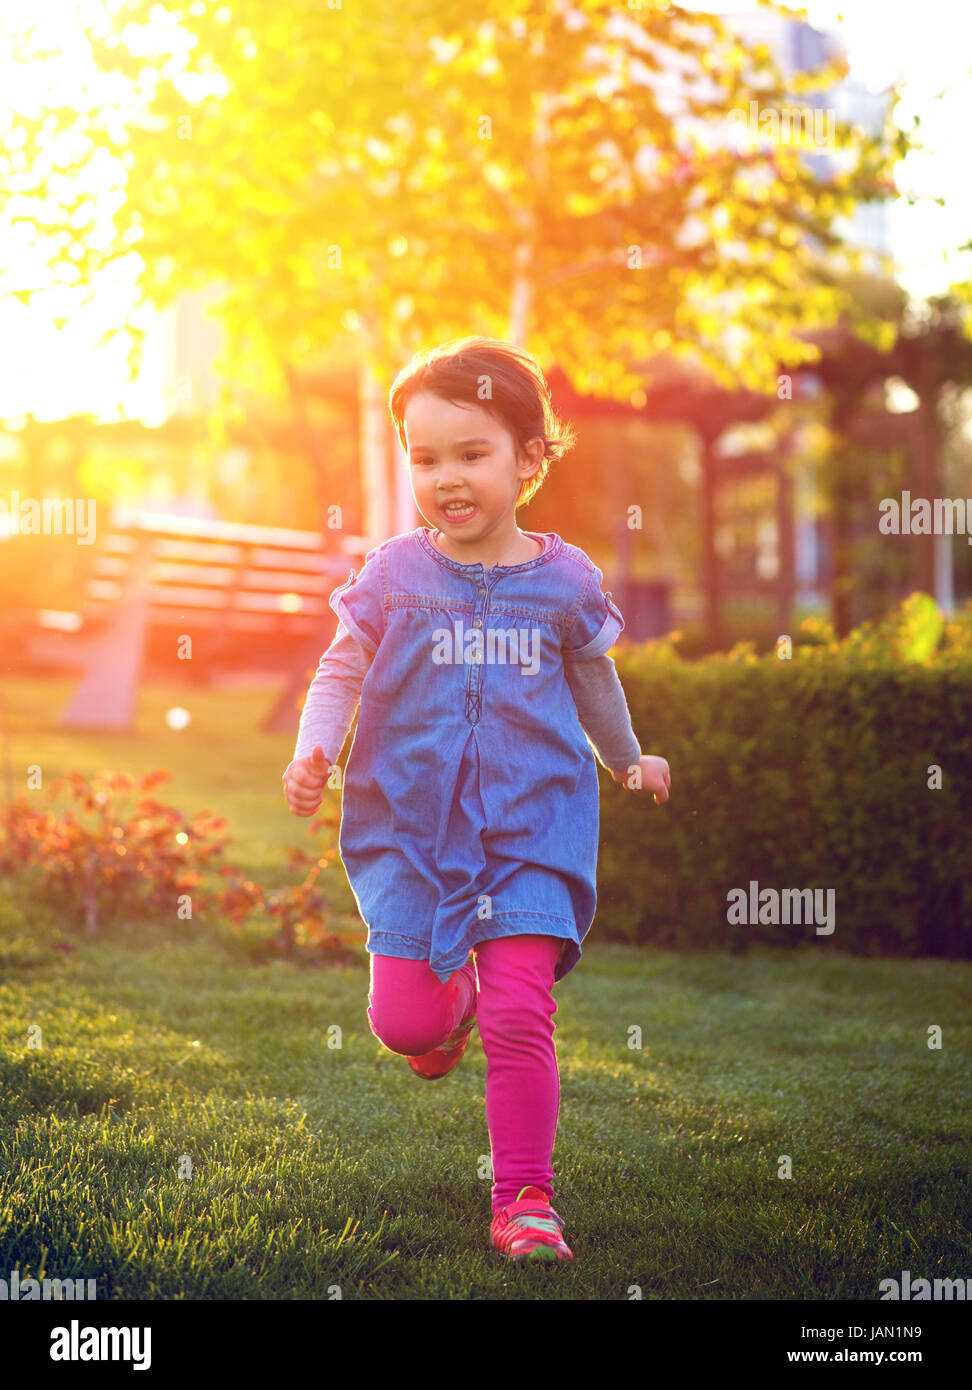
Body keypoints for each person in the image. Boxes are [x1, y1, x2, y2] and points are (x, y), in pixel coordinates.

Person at [282, 336, 671, 1263]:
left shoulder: (565, 582)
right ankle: (441, 1004)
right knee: (403, 1022)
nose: (445, 479)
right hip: (414, 831)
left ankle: (526, 1200)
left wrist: (628, 760)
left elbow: (594, 677)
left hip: (534, 826)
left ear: (531, 461)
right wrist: (313, 748)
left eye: (472, 454)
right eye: (424, 459)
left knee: (518, 1009)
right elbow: (341, 669)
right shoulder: (394, 576)